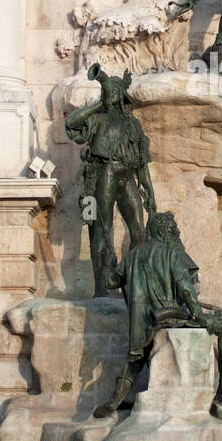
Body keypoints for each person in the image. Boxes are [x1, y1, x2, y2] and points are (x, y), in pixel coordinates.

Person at [93, 211, 210, 418]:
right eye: (174, 227)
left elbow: (111, 282)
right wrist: (199, 314)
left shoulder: (133, 255)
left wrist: (110, 263)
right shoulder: (173, 253)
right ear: (166, 230)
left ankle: (116, 399)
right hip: (168, 316)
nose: (178, 230)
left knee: (135, 360)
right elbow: (186, 287)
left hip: (141, 323)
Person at [65, 63, 156, 296]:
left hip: (127, 175)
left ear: (121, 95)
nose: (111, 95)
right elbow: (71, 123)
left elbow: (141, 163)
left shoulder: (133, 124)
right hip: (103, 173)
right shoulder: (96, 120)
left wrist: (150, 192)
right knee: (101, 232)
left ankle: (132, 282)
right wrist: (97, 106)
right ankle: (101, 289)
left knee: (139, 231)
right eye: (107, 92)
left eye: (113, 91)